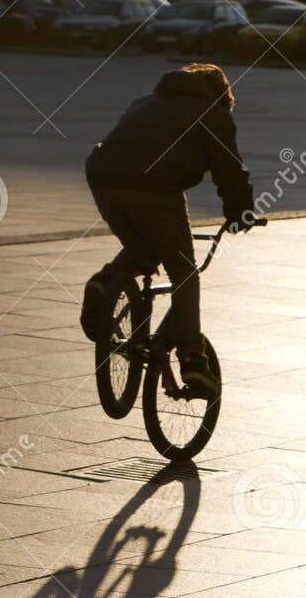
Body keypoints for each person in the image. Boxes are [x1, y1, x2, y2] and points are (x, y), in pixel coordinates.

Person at [81, 61, 255, 396]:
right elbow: (230, 170)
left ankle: (104, 283)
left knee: (143, 247)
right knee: (184, 272)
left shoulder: (145, 101)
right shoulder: (213, 114)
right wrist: (240, 213)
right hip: (156, 186)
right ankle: (193, 360)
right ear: (222, 96)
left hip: (102, 177)